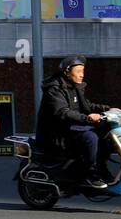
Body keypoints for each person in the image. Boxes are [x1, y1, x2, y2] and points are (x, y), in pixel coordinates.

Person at [38, 56, 114, 189]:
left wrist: (107, 108)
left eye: (83, 71)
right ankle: (90, 175)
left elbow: (86, 105)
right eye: (78, 71)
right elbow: (62, 112)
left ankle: (101, 168)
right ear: (67, 72)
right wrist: (87, 118)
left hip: (72, 128)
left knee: (106, 133)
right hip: (57, 133)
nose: (82, 75)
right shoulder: (54, 89)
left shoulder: (76, 87)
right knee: (91, 138)